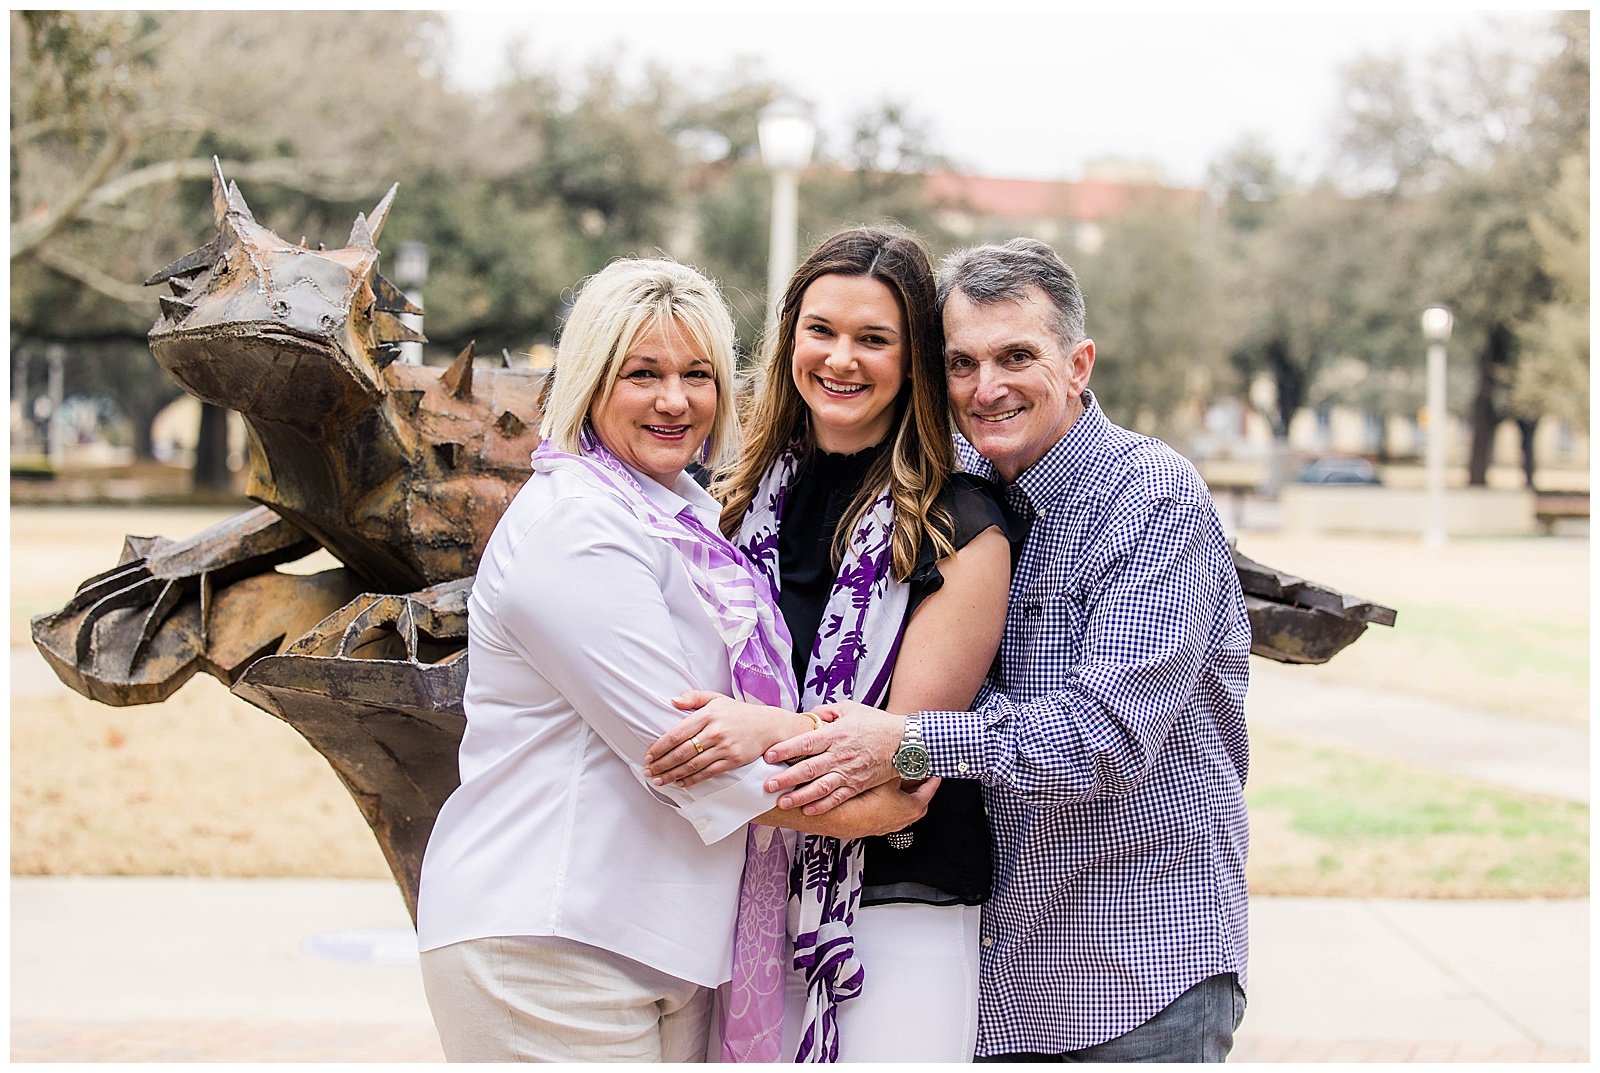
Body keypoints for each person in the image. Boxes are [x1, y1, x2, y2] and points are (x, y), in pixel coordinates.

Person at [414, 256, 934, 1063]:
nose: (675, 400)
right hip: (551, 940)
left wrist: (780, 732)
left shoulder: (688, 517)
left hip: (661, 945)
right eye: (642, 373)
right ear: (590, 380)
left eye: (698, 374)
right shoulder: (574, 528)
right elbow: (686, 753)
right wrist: (878, 809)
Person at [758, 237, 1254, 1062]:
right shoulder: (938, 491)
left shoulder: (1151, 498)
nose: (986, 388)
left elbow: (1108, 736)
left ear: (1078, 362)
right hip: (992, 975)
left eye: (1016, 356)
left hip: (1135, 970)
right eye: (961, 363)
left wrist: (909, 738)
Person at [643, 227, 1011, 1062]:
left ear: (913, 359)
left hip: (889, 910)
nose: (841, 359)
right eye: (823, 331)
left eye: (873, 339)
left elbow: (901, 756)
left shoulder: (960, 526)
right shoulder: (726, 505)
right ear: (790, 340)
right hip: (736, 889)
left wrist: (753, 732)